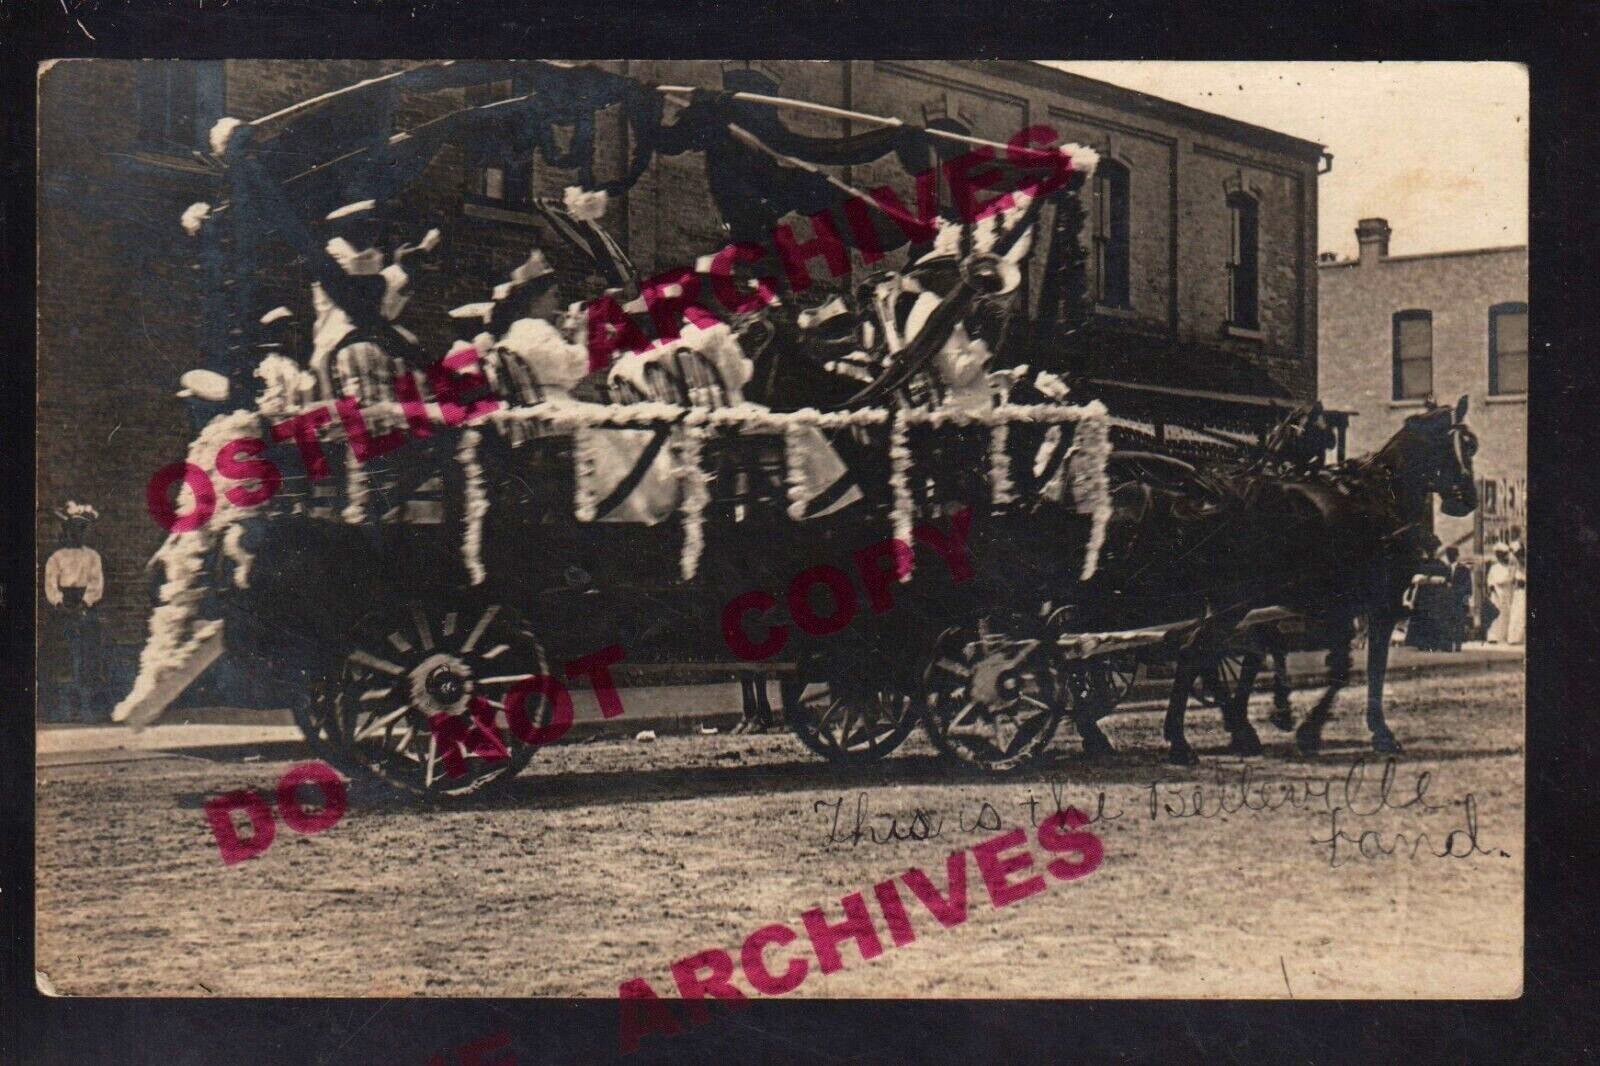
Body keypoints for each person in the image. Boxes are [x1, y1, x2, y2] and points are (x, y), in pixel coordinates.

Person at [43, 501, 105, 720]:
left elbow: (96, 583)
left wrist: (84, 604)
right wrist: (60, 604)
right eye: (72, 530)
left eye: (81, 530)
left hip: (84, 606)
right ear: (66, 531)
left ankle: (87, 709)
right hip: (62, 608)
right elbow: (50, 584)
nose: (76, 534)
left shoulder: (92, 556)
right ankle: (63, 709)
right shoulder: (56, 558)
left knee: (86, 655)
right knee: (64, 656)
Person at [1486, 543, 1515, 643]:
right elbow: (1491, 581)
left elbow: (1511, 579)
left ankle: (1505, 635)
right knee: (1496, 614)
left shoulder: (1509, 568)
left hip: (1507, 592)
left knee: (1506, 613)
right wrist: (1493, 590)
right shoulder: (1494, 567)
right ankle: (1493, 636)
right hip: (1497, 593)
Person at [1446, 545, 1474, 651]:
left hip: (1459, 600)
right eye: (1448, 555)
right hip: (1448, 600)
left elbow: (1469, 588)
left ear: (1456, 556)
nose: (1450, 557)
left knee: (1459, 623)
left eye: (1452, 555)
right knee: (1448, 623)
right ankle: (1448, 646)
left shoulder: (1464, 569)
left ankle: (1458, 646)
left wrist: (1464, 600)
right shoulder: (1445, 568)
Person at [1507, 545, 1527, 645]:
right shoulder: (1516, 568)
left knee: (1522, 615)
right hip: (1517, 593)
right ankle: (1513, 638)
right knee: (1516, 614)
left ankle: (1520, 638)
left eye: (1521, 556)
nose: (1521, 559)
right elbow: (1511, 580)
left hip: (1524, 592)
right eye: (1519, 557)